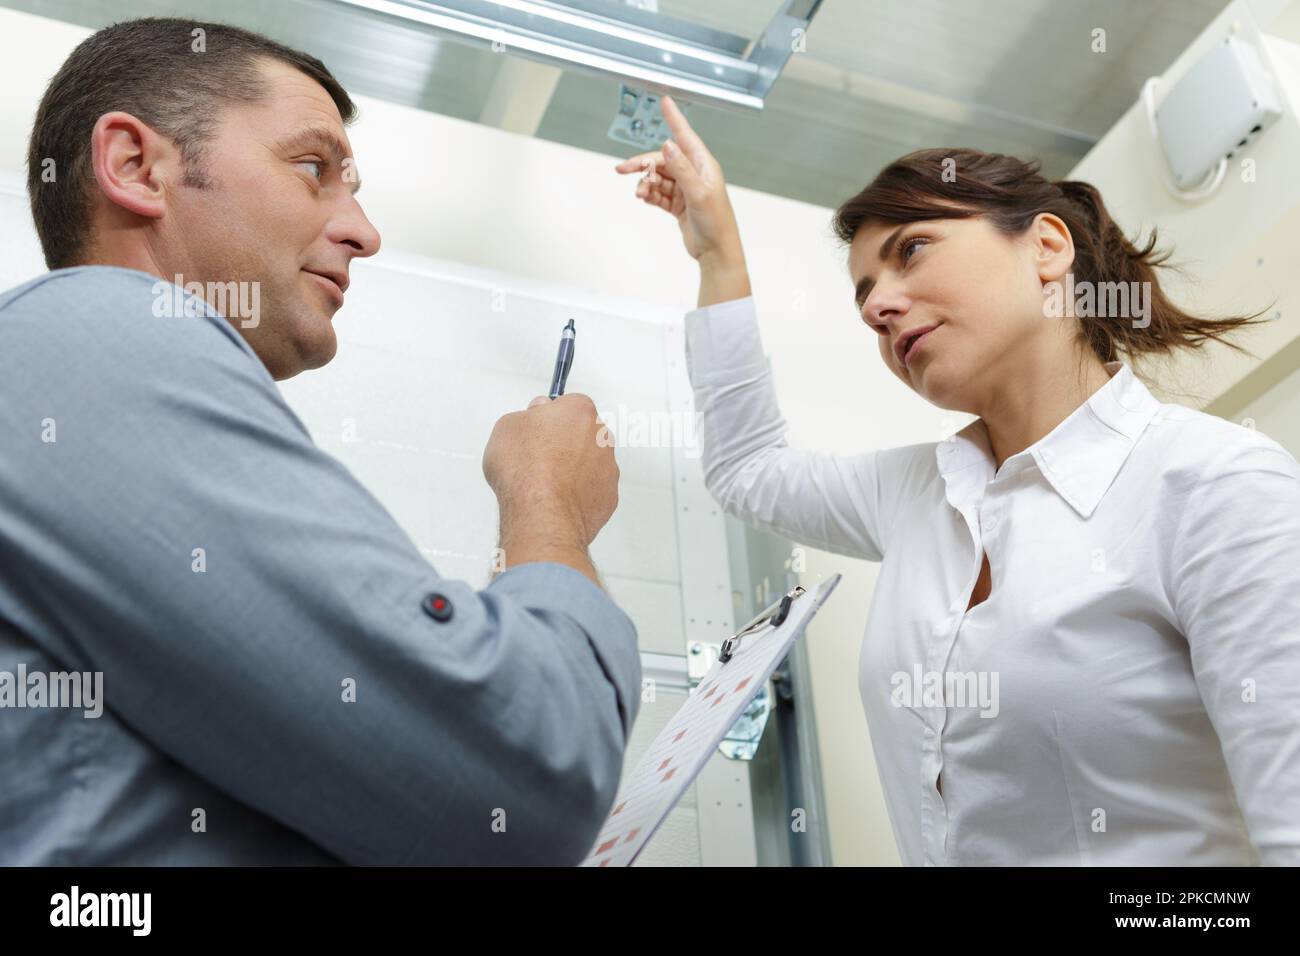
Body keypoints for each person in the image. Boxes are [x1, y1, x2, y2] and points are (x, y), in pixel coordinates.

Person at [0, 17, 639, 866]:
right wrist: (546, 503)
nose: (364, 231)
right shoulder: (90, 334)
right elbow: (525, 775)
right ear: (134, 166)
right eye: (313, 167)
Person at [616, 95, 1300, 865]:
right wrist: (718, 255)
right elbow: (747, 473)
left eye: (910, 251)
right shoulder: (916, 495)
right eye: (863, 294)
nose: (877, 305)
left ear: (1046, 247)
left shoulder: (1213, 485)